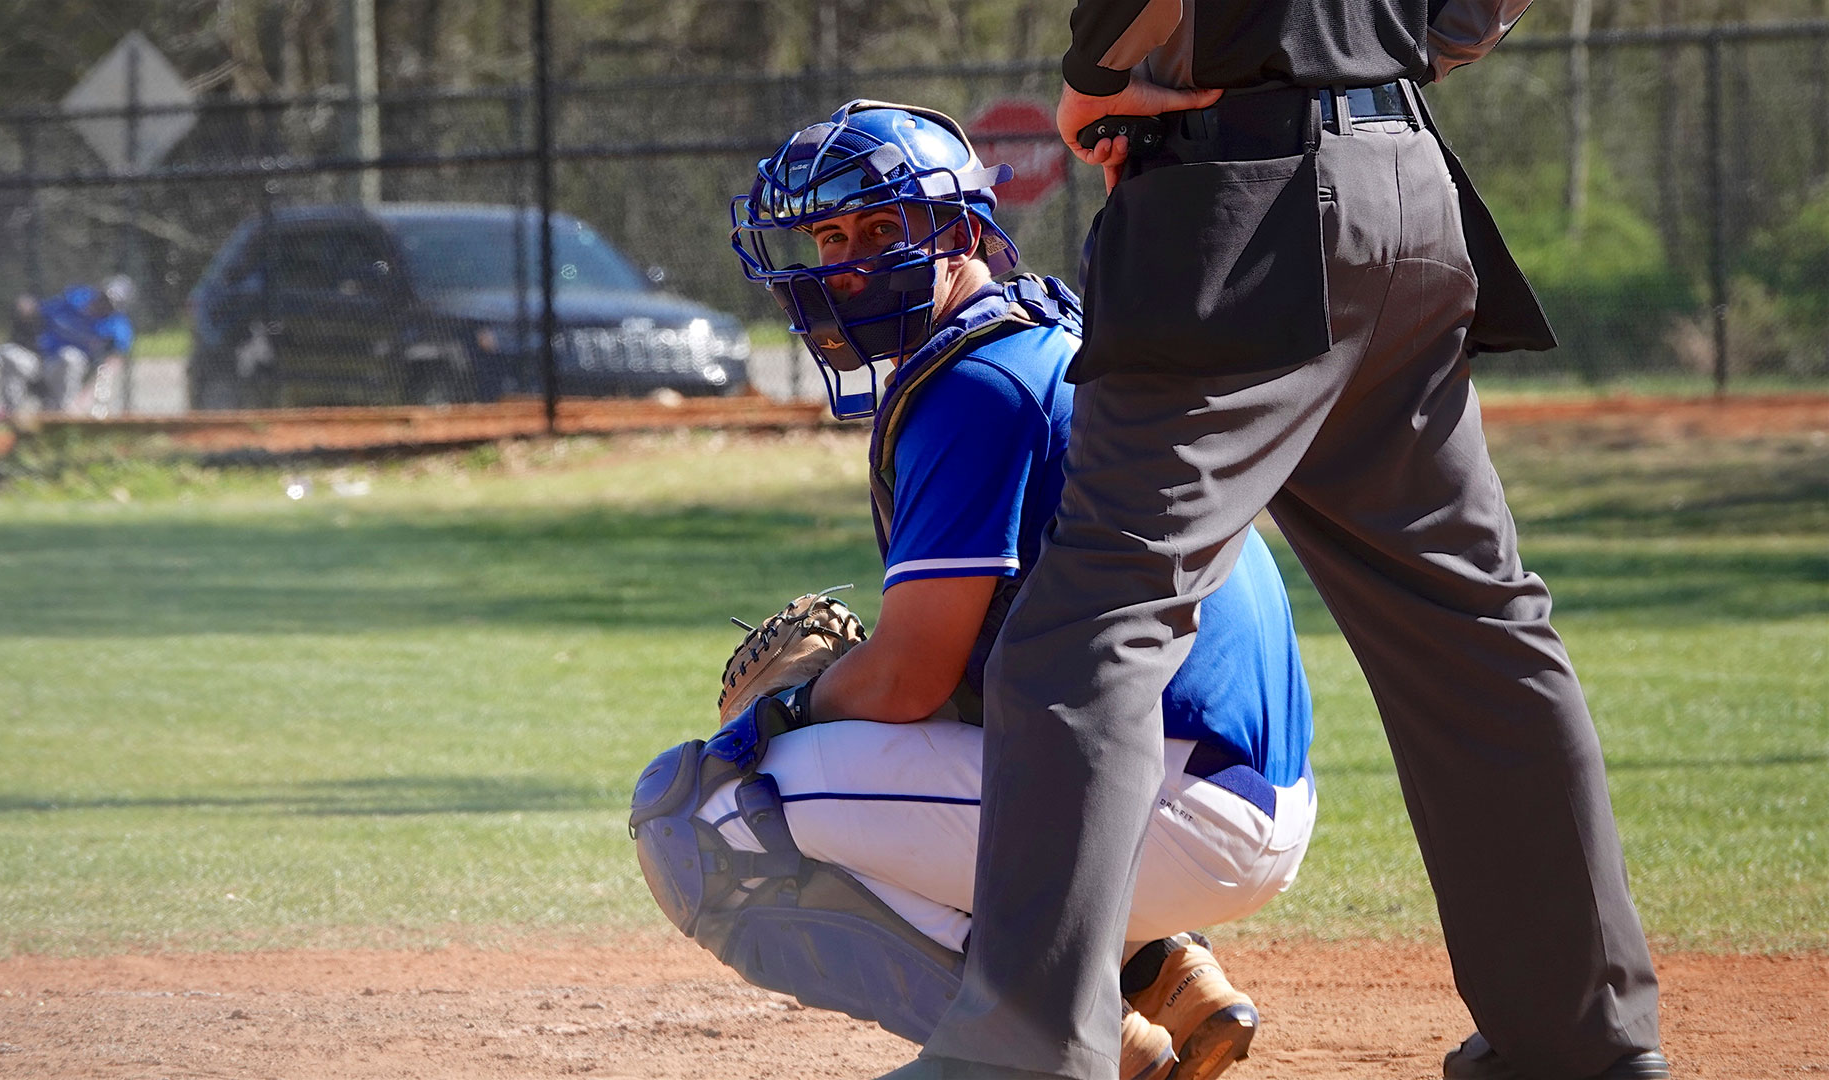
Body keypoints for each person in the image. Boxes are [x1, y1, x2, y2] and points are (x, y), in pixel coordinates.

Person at [884, 4, 1670, 1080]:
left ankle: (1021, 1049)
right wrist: (1390, 53)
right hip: (1407, 189)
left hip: (1236, 198)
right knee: (1478, 631)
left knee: (1093, 625)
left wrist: (1093, 75)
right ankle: (1582, 1043)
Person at [630, 101, 1317, 1080]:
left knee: (704, 813)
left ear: (958, 232)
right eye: (831, 236)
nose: (848, 263)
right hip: (1228, 782)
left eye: (880, 229)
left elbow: (911, 677)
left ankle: (1029, 1047)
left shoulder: (973, 384)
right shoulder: (1051, 328)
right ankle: (1166, 978)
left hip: (1171, 805)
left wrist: (787, 709)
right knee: (948, 746)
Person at [0, 275, 135, 417]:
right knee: (9, 353)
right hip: (39, 361)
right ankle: (11, 415)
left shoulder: (117, 326)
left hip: (69, 372)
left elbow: (113, 363)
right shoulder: (74, 300)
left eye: (110, 304)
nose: (103, 304)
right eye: (103, 298)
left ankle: (63, 416)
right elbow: (38, 311)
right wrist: (26, 309)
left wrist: (85, 397)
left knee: (70, 357)